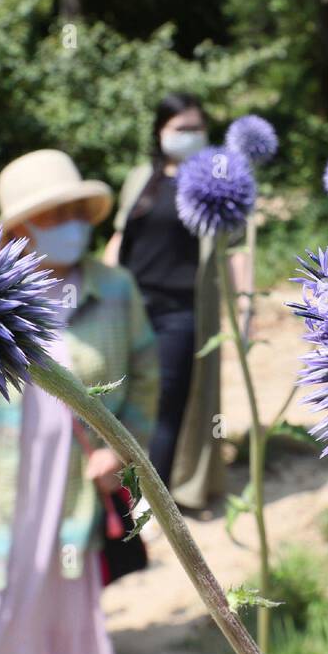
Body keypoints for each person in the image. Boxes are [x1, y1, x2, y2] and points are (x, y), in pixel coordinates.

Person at [0, 149, 159, 654]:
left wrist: (123, 452)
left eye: (74, 212)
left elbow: (148, 375)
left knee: (60, 606)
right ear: (20, 228)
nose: (69, 225)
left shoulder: (115, 287)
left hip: (71, 485)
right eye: (52, 214)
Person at [104, 92, 237, 511]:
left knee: (163, 406)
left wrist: (242, 311)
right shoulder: (142, 176)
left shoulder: (216, 181)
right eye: (181, 129)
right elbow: (123, 237)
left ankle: (147, 502)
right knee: (121, 398)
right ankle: (118, 490)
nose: (190, 136)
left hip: (181, 311)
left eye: (197, 128)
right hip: (130, 305)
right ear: (160, 132)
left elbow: (232, 252)